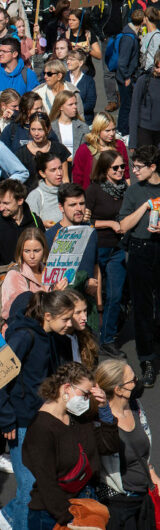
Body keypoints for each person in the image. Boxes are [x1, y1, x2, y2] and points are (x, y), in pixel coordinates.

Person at [0, 291, 75, 530]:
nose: (71, 324)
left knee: (39, 482)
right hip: (22, 423)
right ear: (47, 316)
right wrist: (6, 421)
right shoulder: (24, 337)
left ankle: (8, 517)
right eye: (66, 319)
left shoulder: (51, 337)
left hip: (41, 419)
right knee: (29, 487)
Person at [22, 362, 119, 530]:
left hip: (85, 502)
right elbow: (46, 482)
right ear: (67, 388)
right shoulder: (41, 428)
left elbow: (108, 447)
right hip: (53, 515)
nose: (88, 400)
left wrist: (104, 409)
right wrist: (70, 519)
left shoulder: (78, 417)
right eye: (86, 394)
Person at [94, 358, 160, 527]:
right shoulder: (100, 422)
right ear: (119, 390)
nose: (137, 382)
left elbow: (142, 450)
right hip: (119, 506)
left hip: (143, 499)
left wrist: (151, 472)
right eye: (132, 380)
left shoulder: (135, 406)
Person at [118, 144, 160, 387]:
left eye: (139, 167)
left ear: (153, 167)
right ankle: (147, 359)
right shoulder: (133, 192)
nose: (133, 171)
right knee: (142, 307)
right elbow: (123, 226)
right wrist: (145, 207)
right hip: (140, 249)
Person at [86, 150, 129, 358]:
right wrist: (110, 223)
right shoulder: (94, 190)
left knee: (115, 294)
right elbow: (86, 220)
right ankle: (89, 337)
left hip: (118, 248)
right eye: (116, 167)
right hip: (98, 246)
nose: (120, 170)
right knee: (94, 294)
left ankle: (108, 339)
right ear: (105, 169)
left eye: (122, 166)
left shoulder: (125, 188)